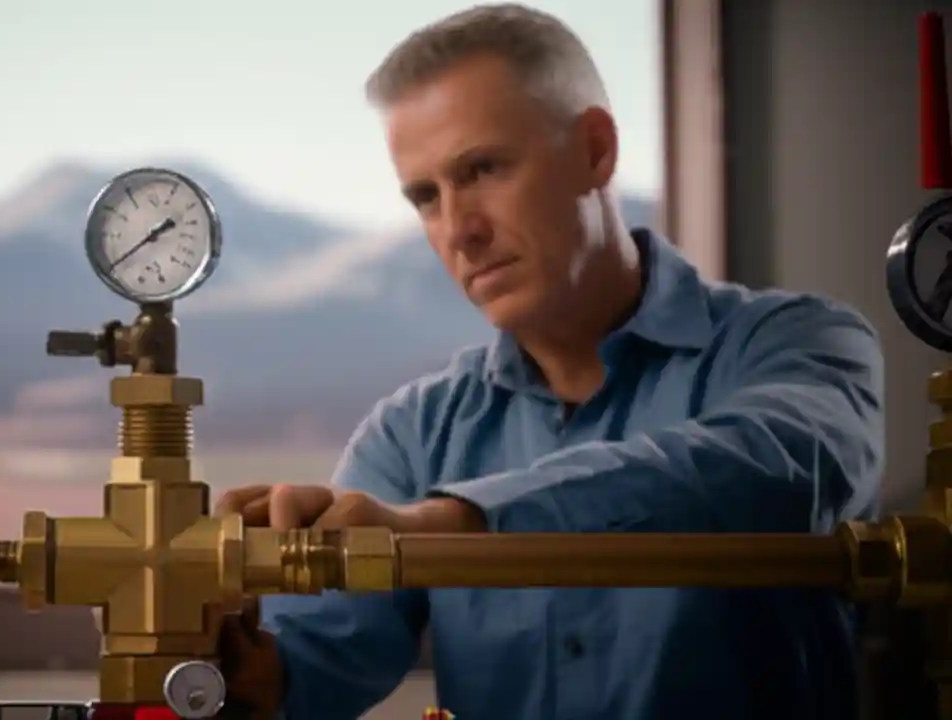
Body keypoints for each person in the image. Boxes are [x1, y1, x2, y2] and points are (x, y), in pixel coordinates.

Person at [214, 4, 884, 719]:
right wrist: (229, 656)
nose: (459, 230)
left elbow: (770, 474)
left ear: (596, 150)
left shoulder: (798, 343)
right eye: (426, 197)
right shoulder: (412, 434)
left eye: (484, 169)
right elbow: (310, 665)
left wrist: (449, 526)